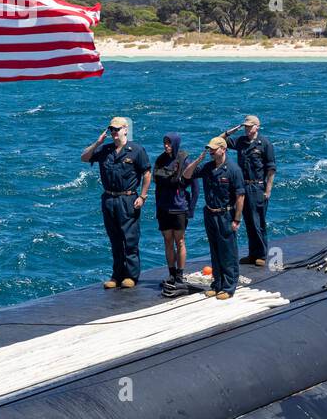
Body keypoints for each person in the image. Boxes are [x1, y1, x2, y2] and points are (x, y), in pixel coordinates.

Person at [81, 117, 151, 289]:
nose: (114, 133)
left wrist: (142, 196)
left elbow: (147, 173)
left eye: (117, 129)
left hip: (127, 199)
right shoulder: (106, 150)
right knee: (114, 239)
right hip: (109, 199)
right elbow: (84, 157)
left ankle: (131, 275)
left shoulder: (136, 150)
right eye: (111, 129)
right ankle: (117, 275)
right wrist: (97, 143)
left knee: (130, 239)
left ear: (125, 130)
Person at [183, 136, 245, 299]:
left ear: (223, 149)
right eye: (209, 149)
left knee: (228, 251)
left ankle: (228, 286)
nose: (210, 151)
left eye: (214, 149)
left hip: (226, 214)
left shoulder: (233, 169)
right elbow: (187, 174)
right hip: (210, 213)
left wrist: (237, 219)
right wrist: (198, 160)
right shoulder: (208, 167)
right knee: (215, 250)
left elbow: (240, 196)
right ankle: (217, 284)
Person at [212, 115, 277, 267]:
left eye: (249, 126)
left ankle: (261, 254)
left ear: (257, 127)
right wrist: (232, 130)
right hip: (243, 186)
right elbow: (218, 141)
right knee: (247, 221)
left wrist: (268, 190)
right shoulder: (241, 141)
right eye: (245, 126)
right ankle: (252, 253)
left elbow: (271, 169)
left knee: (257, 222)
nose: (247, 129)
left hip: (257, 186)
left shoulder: (265, 143)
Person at [153, 133, 197, 289]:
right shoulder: (160, 160)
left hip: (179, 208)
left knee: (180, 241)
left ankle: (180, 274)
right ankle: (171, 273)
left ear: (175, 144)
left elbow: (195, 186)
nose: (166, 146)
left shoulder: (185, 161)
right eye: (165, 143)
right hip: (164, 207)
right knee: (167, 240)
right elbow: (157, 184)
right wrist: (158, 206)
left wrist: (190, 209)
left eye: (169, 143)